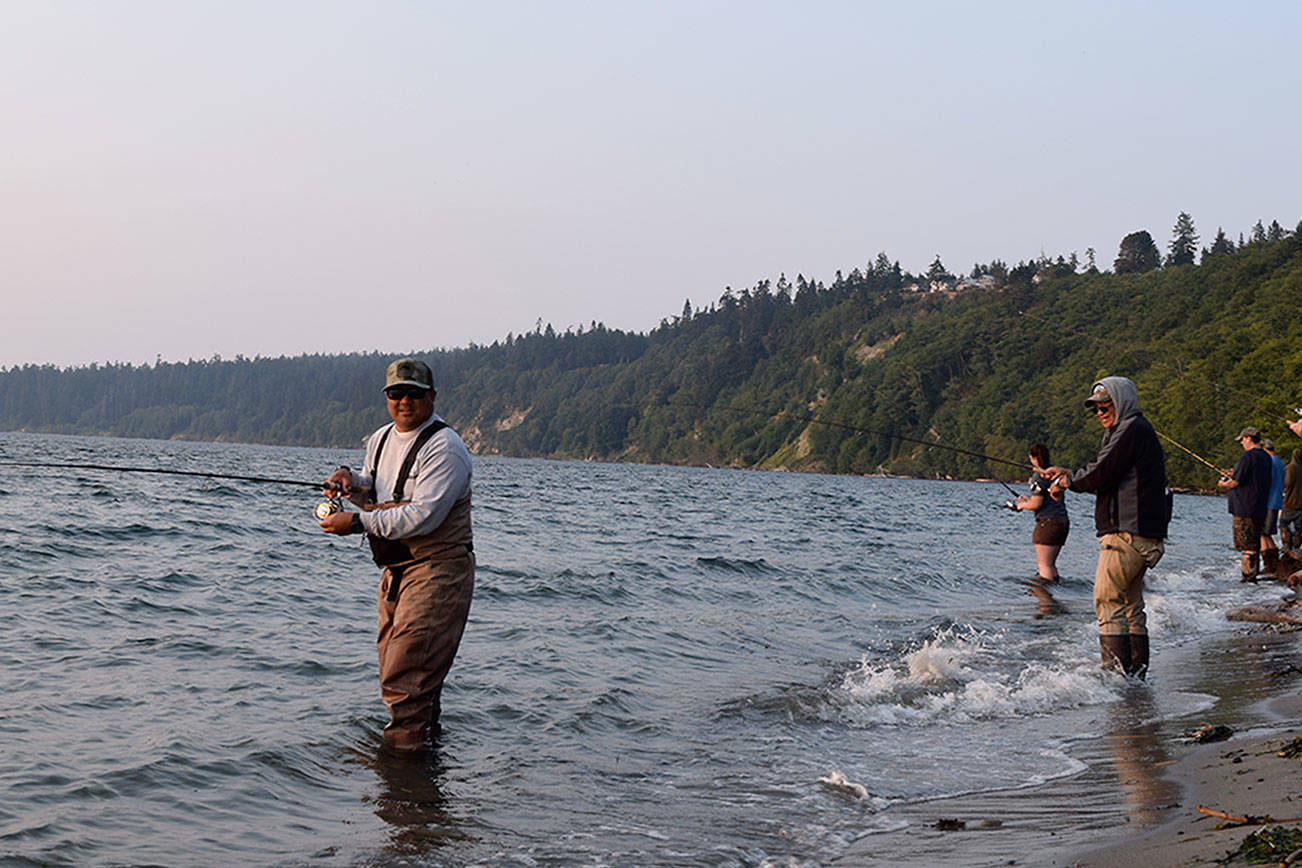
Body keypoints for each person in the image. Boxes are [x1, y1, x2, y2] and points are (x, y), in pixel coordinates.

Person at [319, 358, 475, 751]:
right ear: (386, 397)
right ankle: (425, 774)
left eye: (414, 393)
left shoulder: (446, 448)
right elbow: (377, 487)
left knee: (406, 676)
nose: (404, 401)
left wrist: (354, 523)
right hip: (395, 570)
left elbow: (423, 515)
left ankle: (400, 785)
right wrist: (348, 481)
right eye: (396, 393)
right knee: (404, 670)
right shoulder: (380, 438)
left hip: (438, 570)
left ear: (432, 396)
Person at [1046, 377, 1168, 679]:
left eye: (1106, 405)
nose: (1100, 413)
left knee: (1107, 600)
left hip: (1127, 535)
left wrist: (1067, 481)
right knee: (1130, 606)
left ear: (1123, 402)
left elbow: (1101, 473)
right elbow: (1108, 470)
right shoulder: (1134, 430)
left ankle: (1115, 680)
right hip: (1144, 536)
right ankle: (1135, 680)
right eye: (1096, 409)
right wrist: (1070, 475)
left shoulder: (1129, 430)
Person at [1217, 427, 1272, 582]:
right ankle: (1253, 578)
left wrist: (1223, 484)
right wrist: (1234, 472)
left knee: (1246, 545)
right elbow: (1251, 476)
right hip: (1259, 506)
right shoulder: (1265, 456)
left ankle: (1247, 579)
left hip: (1244, 507)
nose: (1241, 443)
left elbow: (1235, 482)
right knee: (1254, 543)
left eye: (1242, 439)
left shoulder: (1248, 456)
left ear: (1248, 438)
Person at [1014, 443, 1068, 581]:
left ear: (1032, 457)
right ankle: (1053, 597)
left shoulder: (1038, 477)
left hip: (1047, 524)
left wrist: (1021, 506)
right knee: (1051, 566)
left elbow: (1036, 504)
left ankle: (1045, 600)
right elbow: (1044, 498)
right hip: (1062, 522)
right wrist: (1027, 500)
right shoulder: (1054, 474)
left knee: (1045, 566)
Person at [1261, 439, 1285, 573]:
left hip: (1269, 502)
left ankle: (1269, 567)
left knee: (1262, 534)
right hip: (1276, 502)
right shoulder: (1279, 461)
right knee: (1267, 534)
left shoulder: (1270, 462)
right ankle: (1273, 565)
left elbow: (1267, 480)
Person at [1281, 448, 1302, 553]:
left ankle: (1286, 547)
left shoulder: (1290, 468)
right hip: (1300, 505)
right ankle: (1297, 548)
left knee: (1284, 524)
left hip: (1290, 503)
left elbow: (1287, 483)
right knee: (1299, 528)